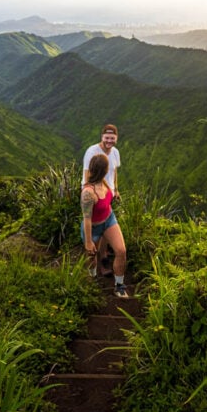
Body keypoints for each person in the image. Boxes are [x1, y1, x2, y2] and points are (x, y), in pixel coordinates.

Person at [81, 153, 129, 298]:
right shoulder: (88, 193)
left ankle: (119, 286)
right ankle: (93, 279)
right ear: (103, 170)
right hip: (93, 227)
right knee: (91, 257)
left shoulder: (104, 182)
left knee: (121, 251)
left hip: (109, 219)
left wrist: (115, 194)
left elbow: (107, 199)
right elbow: (87, 219)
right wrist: (88, 242)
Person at [83, 124, 121, 275]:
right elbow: (87, 174)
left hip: (108, 193)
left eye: (112, 138)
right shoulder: (92, 152)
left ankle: (103, 255)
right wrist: (91, 192)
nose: (109, 141)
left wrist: (115, 189)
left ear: (116, 138)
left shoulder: (115, 152)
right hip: (94, 194)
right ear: (102, 137)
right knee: (95, 224)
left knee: (106, 222)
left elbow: (114, 171)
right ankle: (94, 257)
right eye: (107, 138)